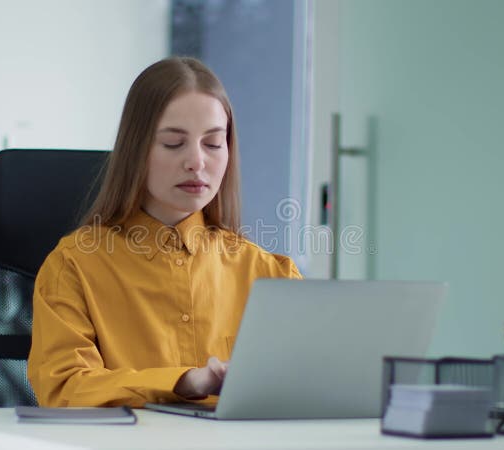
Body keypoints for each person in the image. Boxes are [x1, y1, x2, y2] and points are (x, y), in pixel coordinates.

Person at [27, 57, 301, 407]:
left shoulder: (272, 276)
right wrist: (183, 381)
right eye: (174, 143)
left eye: (214, 144)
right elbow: (64, 388)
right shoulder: (73, 268)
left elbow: (311, 386)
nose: (197, 162)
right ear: (136, 150)